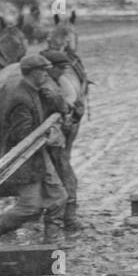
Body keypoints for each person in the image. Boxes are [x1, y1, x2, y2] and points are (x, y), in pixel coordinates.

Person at [0, 54, 69, 245]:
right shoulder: (21, 98)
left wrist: (55, 99)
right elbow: (22, 136)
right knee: (30, 207)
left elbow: (61, 108)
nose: (47, 75)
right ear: (33, 73)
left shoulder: (36, 91)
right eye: (44, 71)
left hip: (38, 154)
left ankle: (50, 241)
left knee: (59, 196)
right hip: (25, 159)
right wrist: (48, 134)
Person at [42, 49, 86, 233]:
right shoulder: (50, 87)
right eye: (60, 68)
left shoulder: (50, 83)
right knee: (67, 178)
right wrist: (73, 110)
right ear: (49, 68)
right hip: (52, 142)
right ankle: (69, 219)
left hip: (47, 139)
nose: (62, 72)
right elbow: (62, 107)